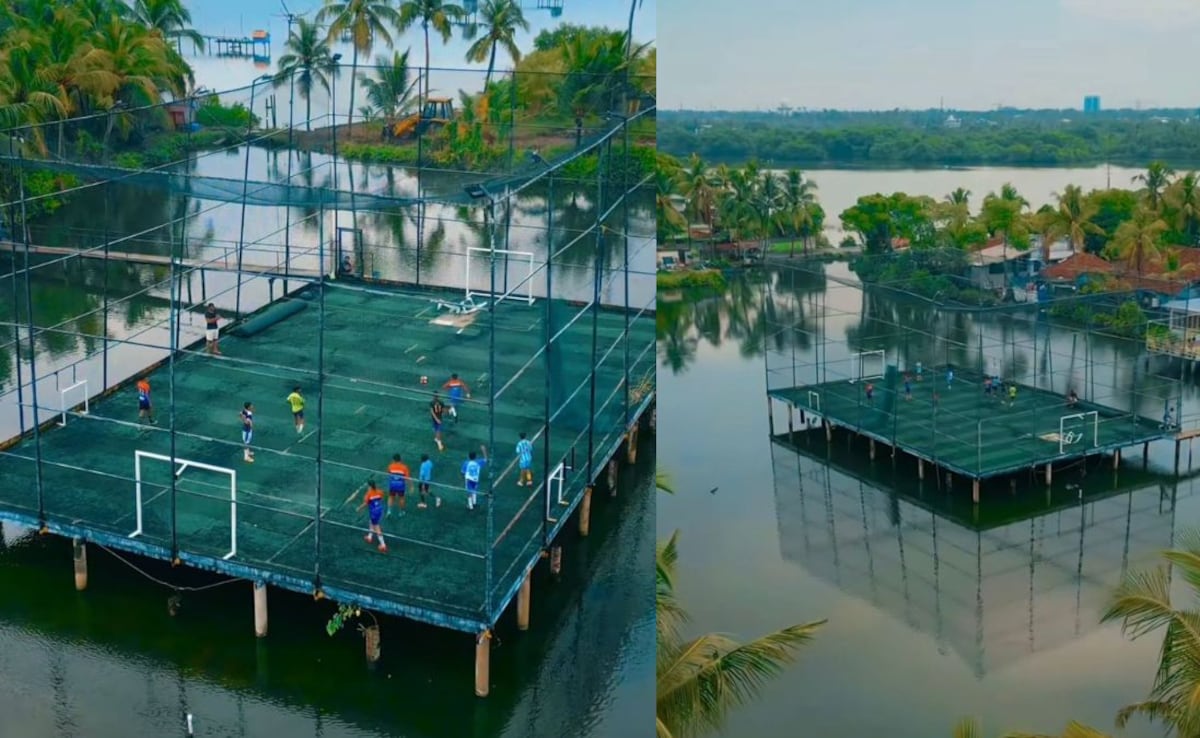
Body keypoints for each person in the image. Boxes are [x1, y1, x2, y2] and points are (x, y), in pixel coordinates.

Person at [356, 479, 388, 553]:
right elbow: (382, 497)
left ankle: (383, 545)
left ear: (369, 486)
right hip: (379, 510)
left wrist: (359, 508)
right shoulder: (380, 491)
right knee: (371, 522)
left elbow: (365, 503)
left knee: (377, 527)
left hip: (373, 512)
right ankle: (370, 537)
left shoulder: (368, 494)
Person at [462, 446, 488, 510]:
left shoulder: (466, 463)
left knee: (469, 492)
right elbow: (486, 459)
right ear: (475, 457)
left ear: (468, 456)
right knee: (474, 490)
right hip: (476, 479)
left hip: (468, 480)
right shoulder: (479, 462)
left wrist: (463, 477)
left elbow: (462, 472)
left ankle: (470, 506)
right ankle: (474, 503)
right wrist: (484, 450)